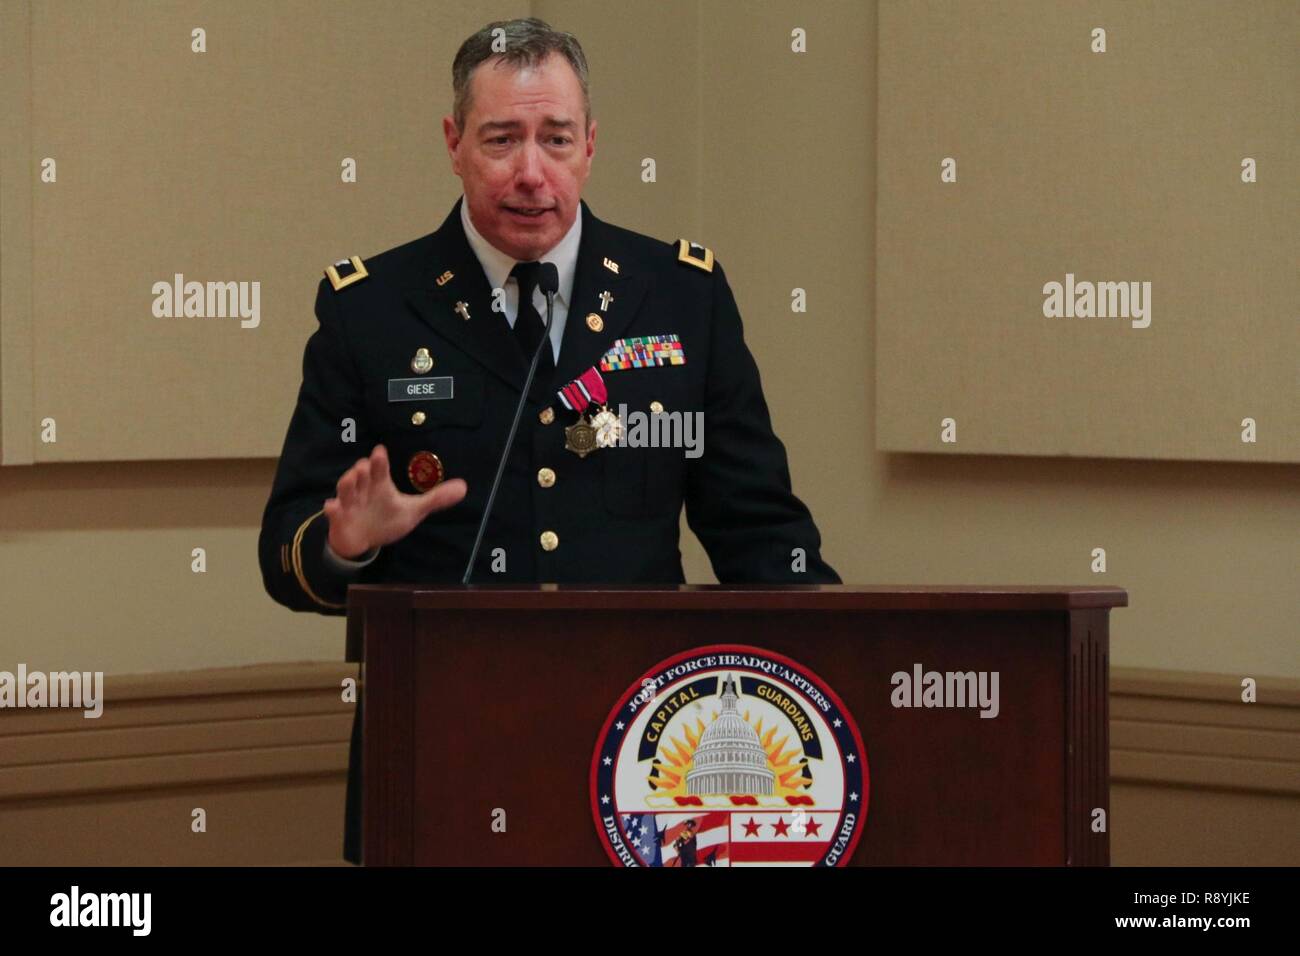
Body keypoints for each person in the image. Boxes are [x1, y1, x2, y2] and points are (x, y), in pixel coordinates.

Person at [258, 17, 839, 865]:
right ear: (453, 143)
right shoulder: (370, 310)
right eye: (502, 140)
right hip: (441, 753)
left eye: (555, 138)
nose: (532, 172)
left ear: (591, 146)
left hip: (643, 753)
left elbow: (760, 530)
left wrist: (845, 661)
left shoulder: (679, 298)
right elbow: (286, 554)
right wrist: (345, 544)